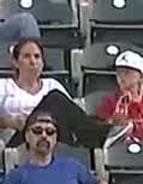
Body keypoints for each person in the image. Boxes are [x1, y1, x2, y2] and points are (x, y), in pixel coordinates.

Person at [0, 38, 131, 149]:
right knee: (55, 98)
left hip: (53, 138)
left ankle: (94, 139)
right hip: (21, 141)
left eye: (37, 56)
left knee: (57, 102)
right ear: (16, 62)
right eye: (26, 56)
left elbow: (71, 116)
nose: (33, 61)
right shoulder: (4, 86)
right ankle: (100, 137)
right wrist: (9, 122)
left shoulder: (52, 84)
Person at [94, 50, 143, 144]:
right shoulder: (109, 101)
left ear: (141, 77)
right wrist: (113, 122)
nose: (121, 76)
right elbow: (99, 131)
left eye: (127, 72)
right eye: (118, 72)